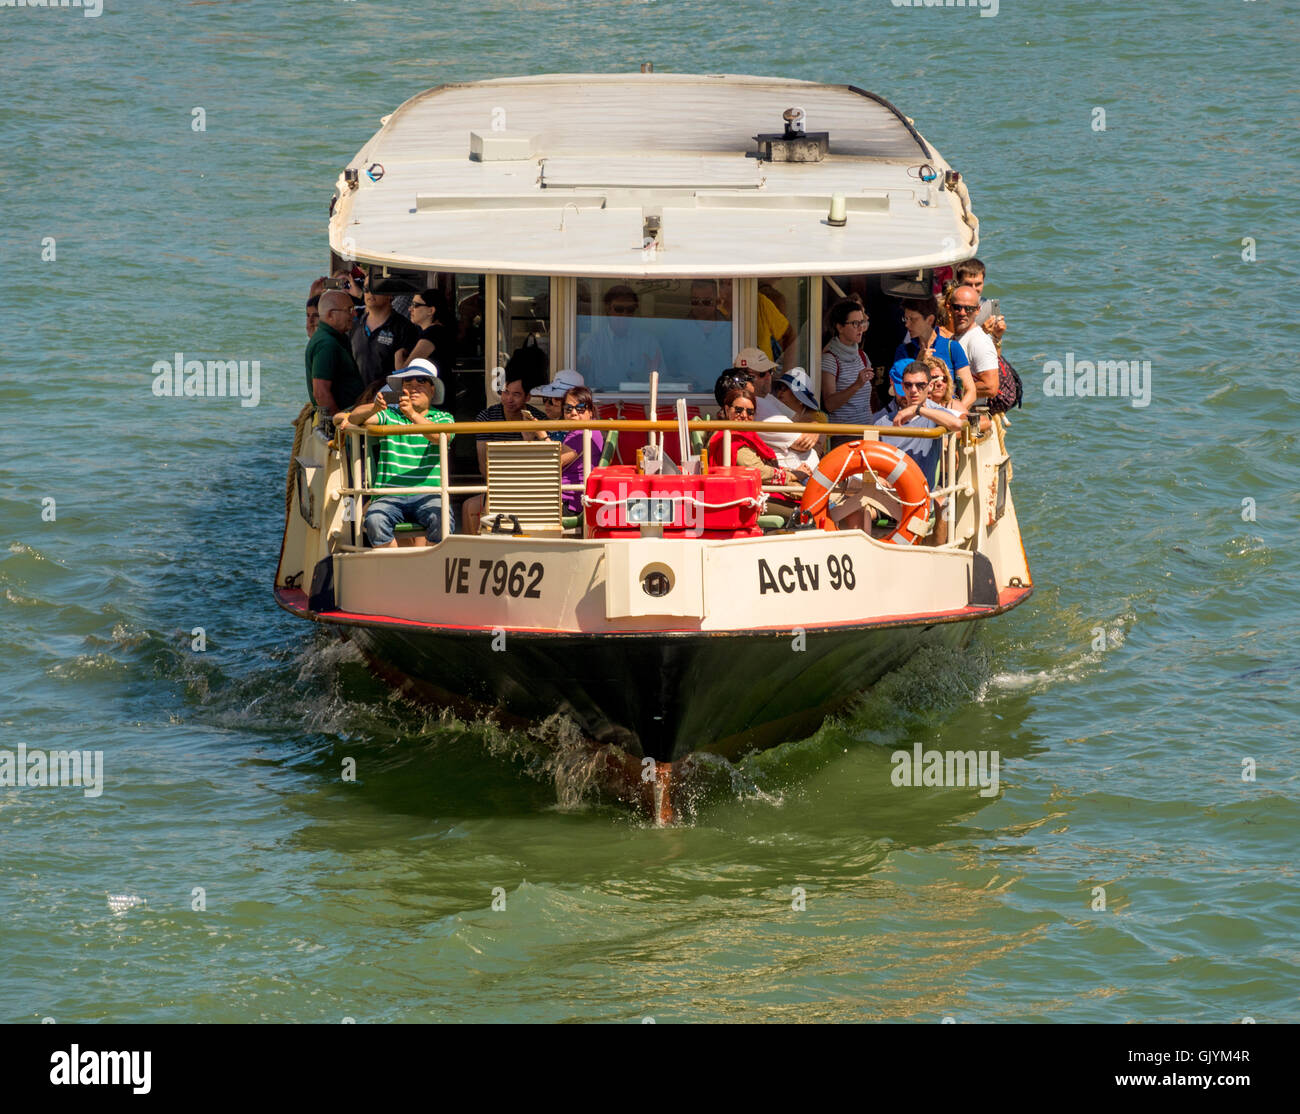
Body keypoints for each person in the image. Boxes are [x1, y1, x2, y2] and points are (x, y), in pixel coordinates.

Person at [341, 361, 455, 547]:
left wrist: (412, 415)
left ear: (432, 391)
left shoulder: (443, 418)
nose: (414, 387)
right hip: (389, 495)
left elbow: (441, 435)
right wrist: (374, 408)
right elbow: (355, 417)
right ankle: (395, 565)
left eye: (421, 382)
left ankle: (433, 568)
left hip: (429, 494)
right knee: (375, 521)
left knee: (442, 519)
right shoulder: (391, 415)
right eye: (408, 383)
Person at [461, 347, 548, 534]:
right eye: (505, 392)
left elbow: (542, 467)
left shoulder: (538, 419)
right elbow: (483, 466)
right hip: (498, 486)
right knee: (468, 507)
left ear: (527, 397)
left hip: (530, 488)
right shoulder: (486, 417)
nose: (509, 399)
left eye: (516, 394)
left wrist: (528, 440)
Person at [706, 384, 807, 488]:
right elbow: (756, 470)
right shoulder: (730, 438)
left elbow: (761, 466)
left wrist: (791, 471)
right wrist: (792, 476)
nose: (744, 415)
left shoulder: (746, 435)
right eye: (738, 410)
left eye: (750, 412)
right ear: (727, 410)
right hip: (749, 493)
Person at [895, 296, 975, 412]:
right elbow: (900, 394)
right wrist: (918, 362)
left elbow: (971, 391)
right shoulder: (903, 351)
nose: (907, 324)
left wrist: (953, 415)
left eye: (913, 319)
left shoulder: (952, 348)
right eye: (905, 319)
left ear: (930, 320)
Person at [577, 285, 663, 390]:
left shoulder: (648, 343)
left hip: (640, 402)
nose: (624, 314)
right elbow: (582, 388)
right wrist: (583, 370)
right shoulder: (592, 344)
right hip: (602, 403)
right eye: (619, 309)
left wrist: (653, 374)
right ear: (608, 310)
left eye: (630, 310)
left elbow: (664, 384)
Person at [820, 299, 877, 443]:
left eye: (861, 322)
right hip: (844, 438)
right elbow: (830, 404)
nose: (860, 328)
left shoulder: (862, 356)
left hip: (867, 435)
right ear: (840, 327)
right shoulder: (830, 359)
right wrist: (857, 385)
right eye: (854, 324)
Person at [305, 290, 366, 425]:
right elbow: (320, 392)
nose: (354, 314)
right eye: (349, 310)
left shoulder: (336, 338)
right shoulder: (326, 344)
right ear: (331, 314)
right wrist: (338, 423)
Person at [351, 277, 419, 388]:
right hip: (359, 400)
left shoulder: (405, 328)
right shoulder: (355, 326)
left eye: (376, 288)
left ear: (390, 294)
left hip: (388, 400)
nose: (370, 292)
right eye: (367, 289)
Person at [761, 367, 826, 472]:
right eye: (779, 388)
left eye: (785, 388)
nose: (780, 393)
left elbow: (815, 452)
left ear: (799, 398)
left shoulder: (818, 419)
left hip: (807, 475)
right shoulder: (771, 410)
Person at [942, 285, 1000, 400]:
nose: (962, 313)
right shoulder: (957, 338)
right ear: (949, 308)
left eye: (968, 308)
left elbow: (991, 387)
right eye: (957, 307)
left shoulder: (979, 342)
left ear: (977, 310)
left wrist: (949, 390)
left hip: (970, 413)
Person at [557, 385, 603, 516]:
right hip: (569, 496)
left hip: (569, 501)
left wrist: (542, 435)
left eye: (580, 408)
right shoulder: (589, 429)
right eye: (568, 408)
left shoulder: (581, 433)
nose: (573, 413)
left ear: (590, 411)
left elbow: (552, 464)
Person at [395, 289, 456, 370]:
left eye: (415, 305)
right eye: (411, 304)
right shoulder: (432, 331)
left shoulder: (433, 333)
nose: (410, 309)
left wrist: (398, 355)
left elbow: (405, 372)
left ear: (431, 310)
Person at [954, 257, 1007, 343]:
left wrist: (998, 337)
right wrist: (982, 332)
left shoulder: (994, 306)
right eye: (968, 284)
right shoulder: (950, 307)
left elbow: (997, 353)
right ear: (958, 282)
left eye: (978, 284)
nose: (973, 289)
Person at [530, 368, 586, 443]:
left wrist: (543, 437)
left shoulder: (580, 430)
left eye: (556, 398)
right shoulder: (562, 427)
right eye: (546, 398)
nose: (548, 403)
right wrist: (529, 436)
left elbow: (558, 454)